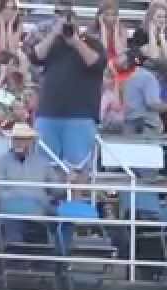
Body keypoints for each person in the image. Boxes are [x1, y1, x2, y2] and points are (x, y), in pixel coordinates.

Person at [30, 8, 106, 172]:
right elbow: (36, 56)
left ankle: (75, 198)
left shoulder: (92, 43)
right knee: (45, 167)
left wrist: (76, 42)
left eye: (70, 22)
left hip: (80, 116)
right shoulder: (52, 43)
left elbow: (96, 63)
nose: (67, 26)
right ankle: (50, 198)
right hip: (48, 114)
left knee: (78, 168)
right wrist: (53, 34)